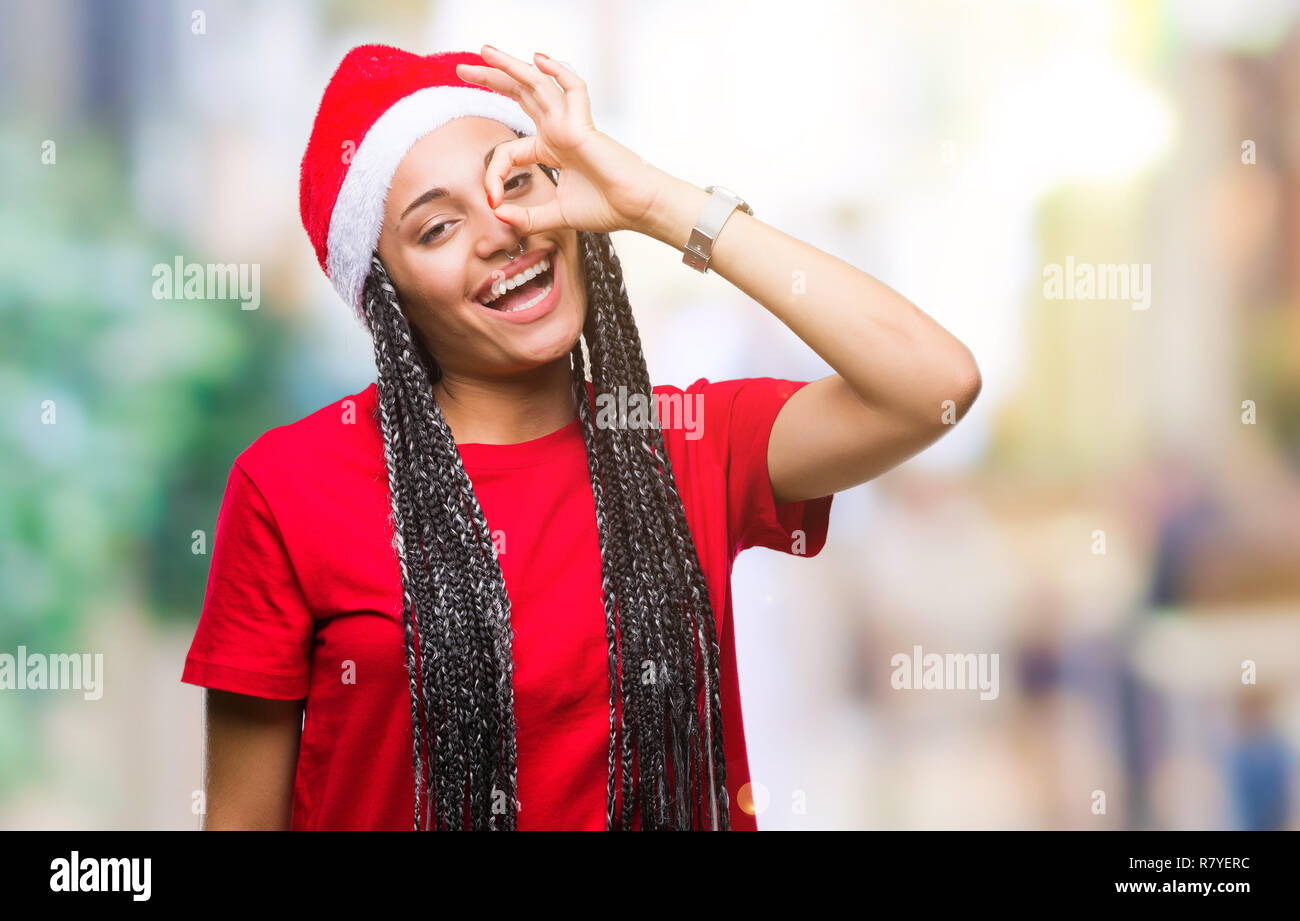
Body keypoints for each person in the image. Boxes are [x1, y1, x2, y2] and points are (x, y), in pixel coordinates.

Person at [181, 43, 982, 831]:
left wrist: (656, 203)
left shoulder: (684, 443)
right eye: (436, 229)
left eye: (516, 181)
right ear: (386, 294)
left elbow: (931, 385)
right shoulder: (289, 488)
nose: (500, 231)